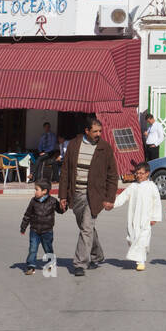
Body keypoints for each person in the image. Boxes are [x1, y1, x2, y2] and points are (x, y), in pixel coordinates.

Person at [58, 117, 118, 277]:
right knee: (86, 227)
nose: (99, 134)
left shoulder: (105, 148)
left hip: (94, 195)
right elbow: (65, 172)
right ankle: (97, 255)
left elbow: (112, 175)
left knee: (86, 228)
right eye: (95, 131)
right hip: (76, 194)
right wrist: (62, 195)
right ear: (87, 131)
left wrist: (110, 198)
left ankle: (79, 263)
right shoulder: (74, 145)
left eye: (100, 131)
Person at [112, 162, 162, 271]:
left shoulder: (152, 186)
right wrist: (112, 204)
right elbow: (123, 197)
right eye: (137, 173)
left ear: (147, 173)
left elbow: (157, 202)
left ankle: (141, 262)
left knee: (142, 239)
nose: (139, 175)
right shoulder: (133, 186)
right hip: (133, 218)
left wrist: (155, 218)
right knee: (131, 238)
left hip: (146, 219)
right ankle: (143, 252)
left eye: (141, 173)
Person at [19, 179, 57, 274]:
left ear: (44, 191)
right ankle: (30, 266)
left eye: (37, 189)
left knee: (48, 249)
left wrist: (64, 205)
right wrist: (23, 227)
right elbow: (27, 215)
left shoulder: (53, 201)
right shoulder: (33, 201)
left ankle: (51, 264)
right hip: (34, 230)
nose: (35, 192)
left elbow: (60, 210)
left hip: (47, 231)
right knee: (32, 249)